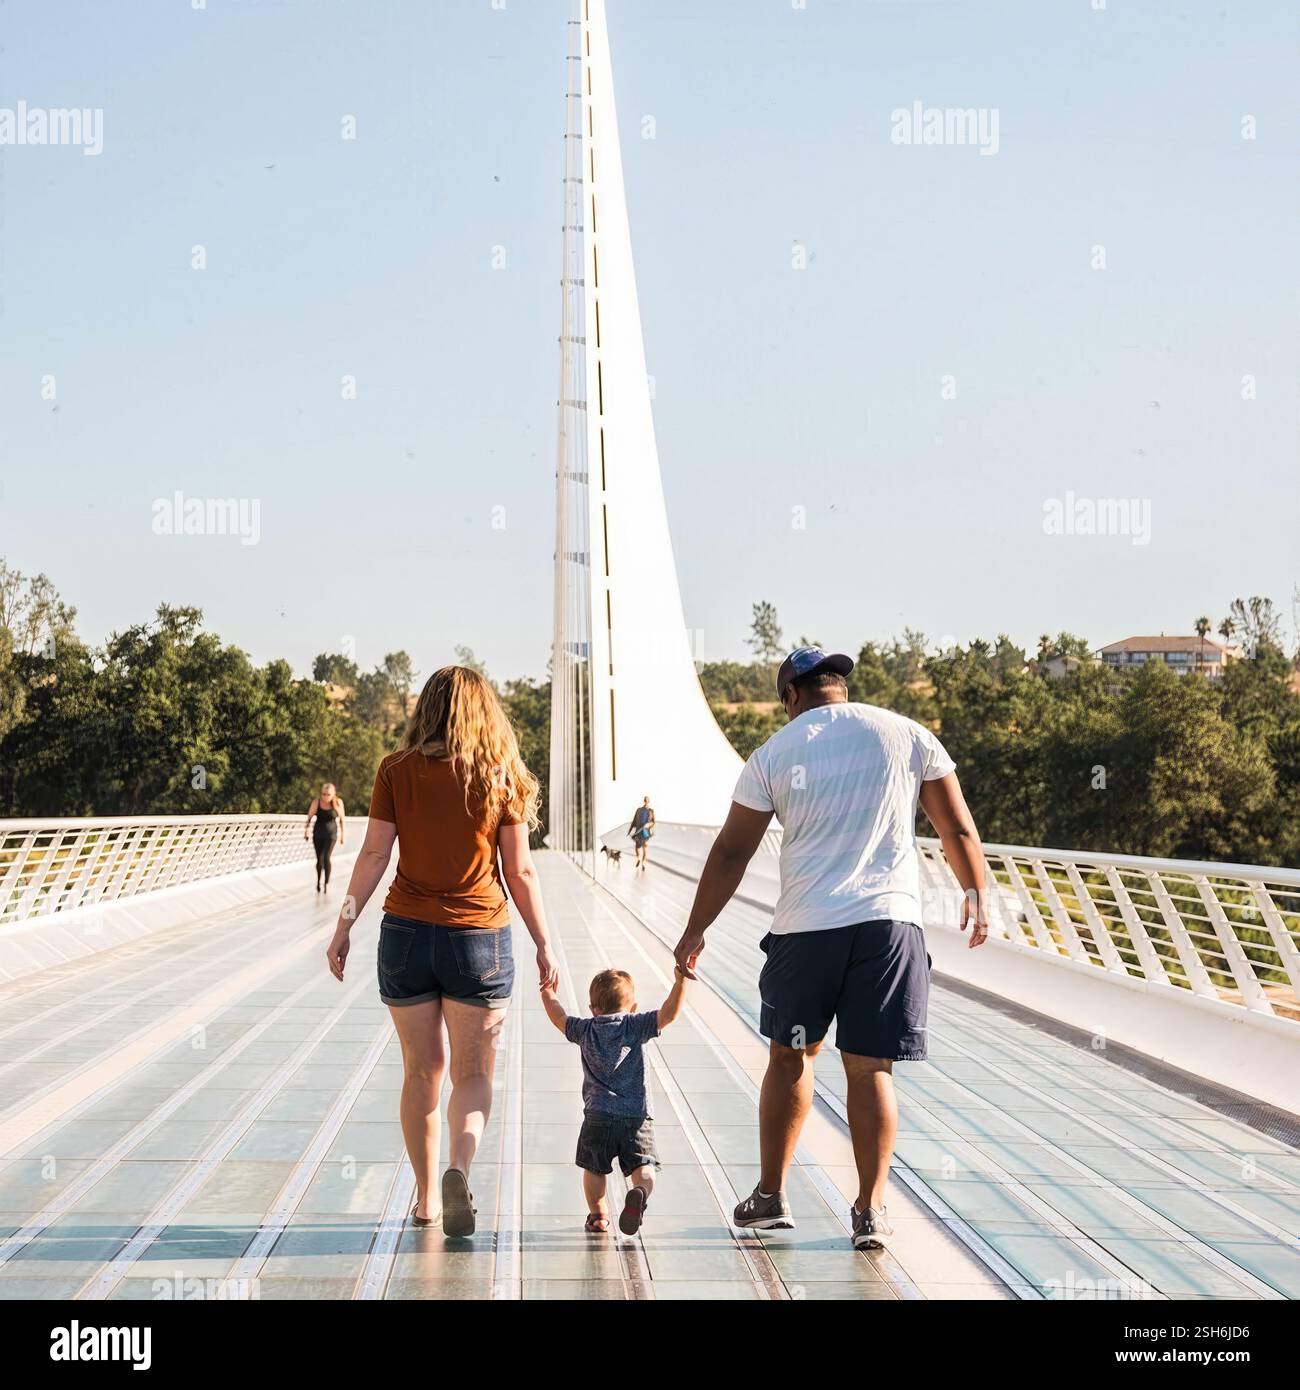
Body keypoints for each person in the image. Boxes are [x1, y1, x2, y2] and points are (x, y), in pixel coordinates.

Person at [671, 645, 989, 1250]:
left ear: (790, 695)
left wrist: (695, 930)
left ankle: (770, 1197)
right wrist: (974, 895)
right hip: (889, 925)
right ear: (839, 685)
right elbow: (957, 828)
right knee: (871, 1068)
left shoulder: (774, 753)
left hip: (806, 931)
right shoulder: (908, 734)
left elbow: (732, 851)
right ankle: (870, 1211)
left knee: (792, 1057)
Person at [325, 666, 559, 1238]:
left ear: (424, 709)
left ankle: (428, 1198)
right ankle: (459, 1168)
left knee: (420, 1072)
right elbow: (520, 870)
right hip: (479, 938)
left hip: (405, 934)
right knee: (473, 1074)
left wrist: (343, 926)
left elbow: (373, 856)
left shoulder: (395, 771)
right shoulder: (501, 776)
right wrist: (545, 944)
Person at [540, 965, 688, 1234]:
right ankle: (640, 1192)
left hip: (598, 1115)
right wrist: (680, 983)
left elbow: (558, 1016)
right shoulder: (636, 1025)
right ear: (632, 1006)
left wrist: (548, 992)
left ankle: (598, 1216)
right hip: (637, 1116)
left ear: (593, 1008)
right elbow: (669, 1014)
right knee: (643, 1165)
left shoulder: (585, 1029)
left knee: (594, 1169)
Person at [304, 782, 345, 892]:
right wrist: (306, 831)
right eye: (323, 794)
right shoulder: (316, 802)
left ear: (333, 794)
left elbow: (342, 820)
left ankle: (326, 882)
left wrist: (342, 835)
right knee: (319, 860)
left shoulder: (338, 803)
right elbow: (309, 817)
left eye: (328, 794)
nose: (325, 796)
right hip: (318, 834)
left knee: (326, 857)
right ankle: (318, 882)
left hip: (331, 835)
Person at [627, 796, 655, 871]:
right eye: (645, 800)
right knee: (638, 846)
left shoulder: (651, 811)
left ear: (648, 801)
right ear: (644, 801)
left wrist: (648, 825)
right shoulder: (639, 810)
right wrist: (629, 830)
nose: (646, 801)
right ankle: (639, 858)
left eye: (647, 800)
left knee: (645, 847)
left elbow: (653, 822)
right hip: (639, 831)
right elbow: (634, 821)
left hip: (645, 831)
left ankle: (643, 862)